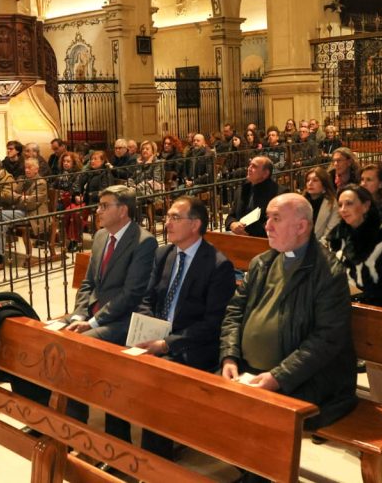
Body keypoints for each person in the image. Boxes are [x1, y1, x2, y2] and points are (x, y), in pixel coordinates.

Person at [219, 193, 358, 443]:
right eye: (268, 218)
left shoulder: (327, 273)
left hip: (303, 379)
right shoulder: (262, 263)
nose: (266, 226)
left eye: (275, 219)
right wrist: (229, 356)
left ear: (301, 226)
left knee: (258, 413)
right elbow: (234, 312)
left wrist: (278, 377)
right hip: (249, 370)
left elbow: (327, 339)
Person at [133, 195, 236, 459]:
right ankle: (116, 444)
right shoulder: (164, 253)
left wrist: (167, 343)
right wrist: (148, 327)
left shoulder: (218, 265)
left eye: (175, 217)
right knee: (117, 364)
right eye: (167, 216)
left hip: (195, 345)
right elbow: (148, 297)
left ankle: (154, 462)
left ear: (195, 225)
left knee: (159, 378)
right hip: (158, 336)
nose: (167, 222)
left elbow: (213, 324)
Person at [65, 185, 156, 442]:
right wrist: (78, 316)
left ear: (123, 210)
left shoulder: (143, 241)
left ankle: (112, 437)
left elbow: (131, 294)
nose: (98, 211)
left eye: (105, 206)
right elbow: (88, 284)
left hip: (124, 319)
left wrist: (93, 321)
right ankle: (69, 424)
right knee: (43, 333)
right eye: (99, 205)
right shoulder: (100, 236)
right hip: (92, 314)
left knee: (81, 344)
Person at [328, 185, 382, 309]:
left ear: (366, 206)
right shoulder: (337, 235)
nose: (343, 209)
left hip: (377, 307)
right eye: (340, 205)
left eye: (349, 204)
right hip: (341, 303)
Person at [225, 155, 282, 238]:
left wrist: (247, 231)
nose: (249, 168)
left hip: (264, 241)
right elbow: (231, 216)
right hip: (240, 239)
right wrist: (232, 225)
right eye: (250, 165)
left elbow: (277, 223)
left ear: (265, 173)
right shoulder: (242, 189)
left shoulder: (278, 194)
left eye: (254, 166)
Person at [302, 166, 339, 242]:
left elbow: (329, 234)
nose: (310, 183)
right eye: (308, 180)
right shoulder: (300, 202)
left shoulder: (333, 204)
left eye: (315, 180)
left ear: (324, 185)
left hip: (320, 247)